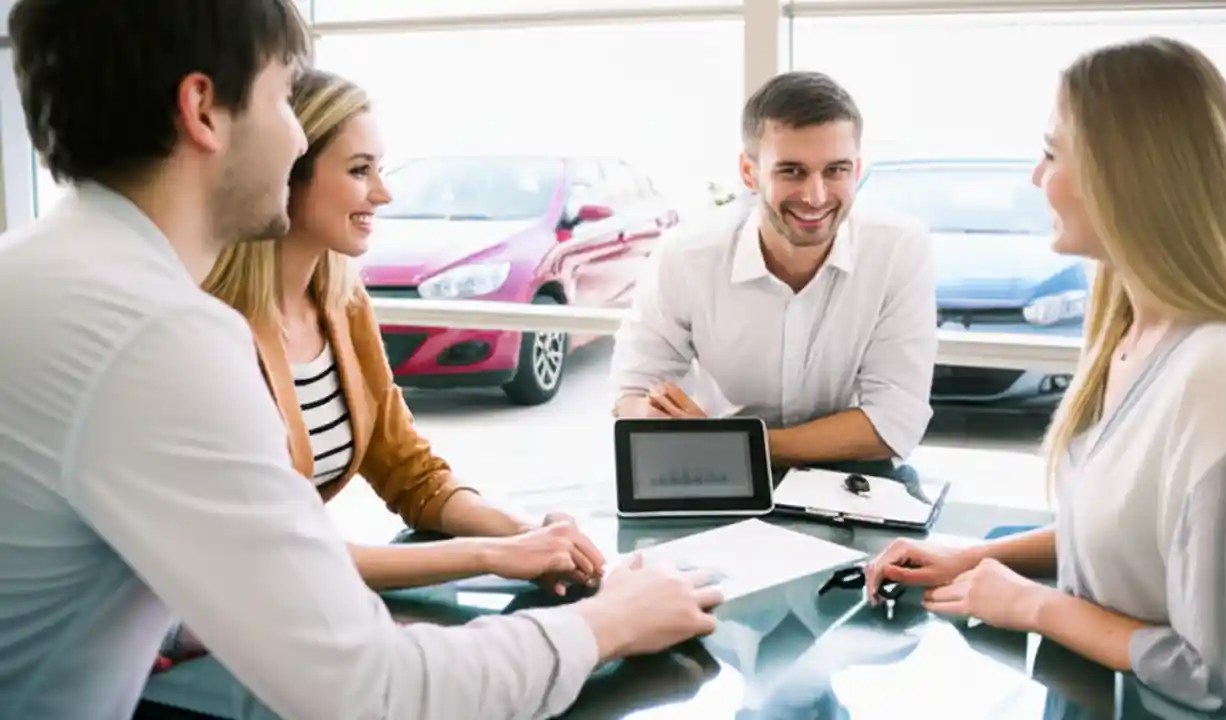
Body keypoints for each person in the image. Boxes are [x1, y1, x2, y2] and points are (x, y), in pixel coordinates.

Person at [0, 2, 721, 719]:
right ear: (203, 110)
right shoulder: (158, 336)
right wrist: (614, 620)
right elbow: (373, 694)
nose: (291, 135)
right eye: (285, 96)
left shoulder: (43, 272)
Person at [863, 37, 1226, 717]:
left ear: (1126, 175)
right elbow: (1133, 537)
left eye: (1052, 154)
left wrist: (1031, 604)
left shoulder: (1220, 378)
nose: (1035, 178)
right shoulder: (1125, 335)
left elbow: (1219, 676)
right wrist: (967, 560)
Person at [199, 68, 603, 598]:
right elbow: (279, 554)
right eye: (360, 170)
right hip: (200, 624)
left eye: (380, 169)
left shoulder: (343, 304)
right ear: (287, 172)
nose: (383, 193)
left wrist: (531, 534)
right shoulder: (210, 325)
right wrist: (493, 555)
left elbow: (414, 477)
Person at [610, 71, 937, 467]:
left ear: (857, 168)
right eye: (792, 171)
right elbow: (632, 392)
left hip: (849, 482)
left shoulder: (899, 249)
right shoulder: (685, 256)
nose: (816, 196)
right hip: (715, 479)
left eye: (836, 170)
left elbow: (894, 421)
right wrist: (653, 416)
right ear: (750, 173)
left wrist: (726, 446)